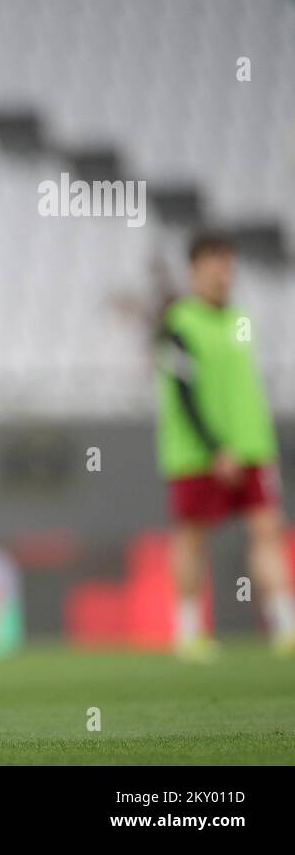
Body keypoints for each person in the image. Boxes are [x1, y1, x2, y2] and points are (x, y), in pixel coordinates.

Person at [156, 231, 292, 662]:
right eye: (215, 263)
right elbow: (183, 392)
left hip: (252, 446)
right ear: (195, 268)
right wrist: (216, 447)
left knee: (267, 532)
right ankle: (189, 630)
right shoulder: (177, 323)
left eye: (228, 263)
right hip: (196, 453)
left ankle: (284, 624)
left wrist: (245, 443)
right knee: (193, 539)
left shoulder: (242, 319)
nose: (223, 272)